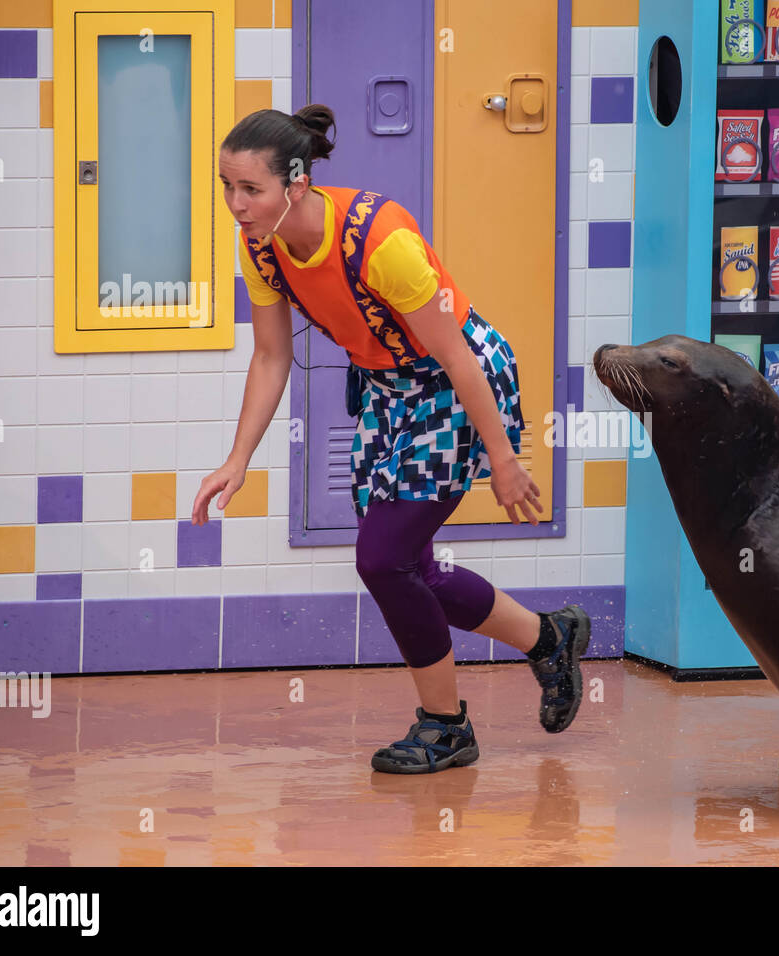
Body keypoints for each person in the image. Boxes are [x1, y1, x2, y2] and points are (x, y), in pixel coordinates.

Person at [190, 104, 591, 774]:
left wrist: (502, 458)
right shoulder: (260, 244)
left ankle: (445, 727)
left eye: (250, 189)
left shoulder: (382, 240)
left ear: (294, 185)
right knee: (411, 567)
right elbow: (270, 357)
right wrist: (237, 460)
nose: (236, 204)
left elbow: (459, 357)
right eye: (227, 187)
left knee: (382, 560)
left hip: (455, 383)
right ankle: (550, 637)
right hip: (388, 390)